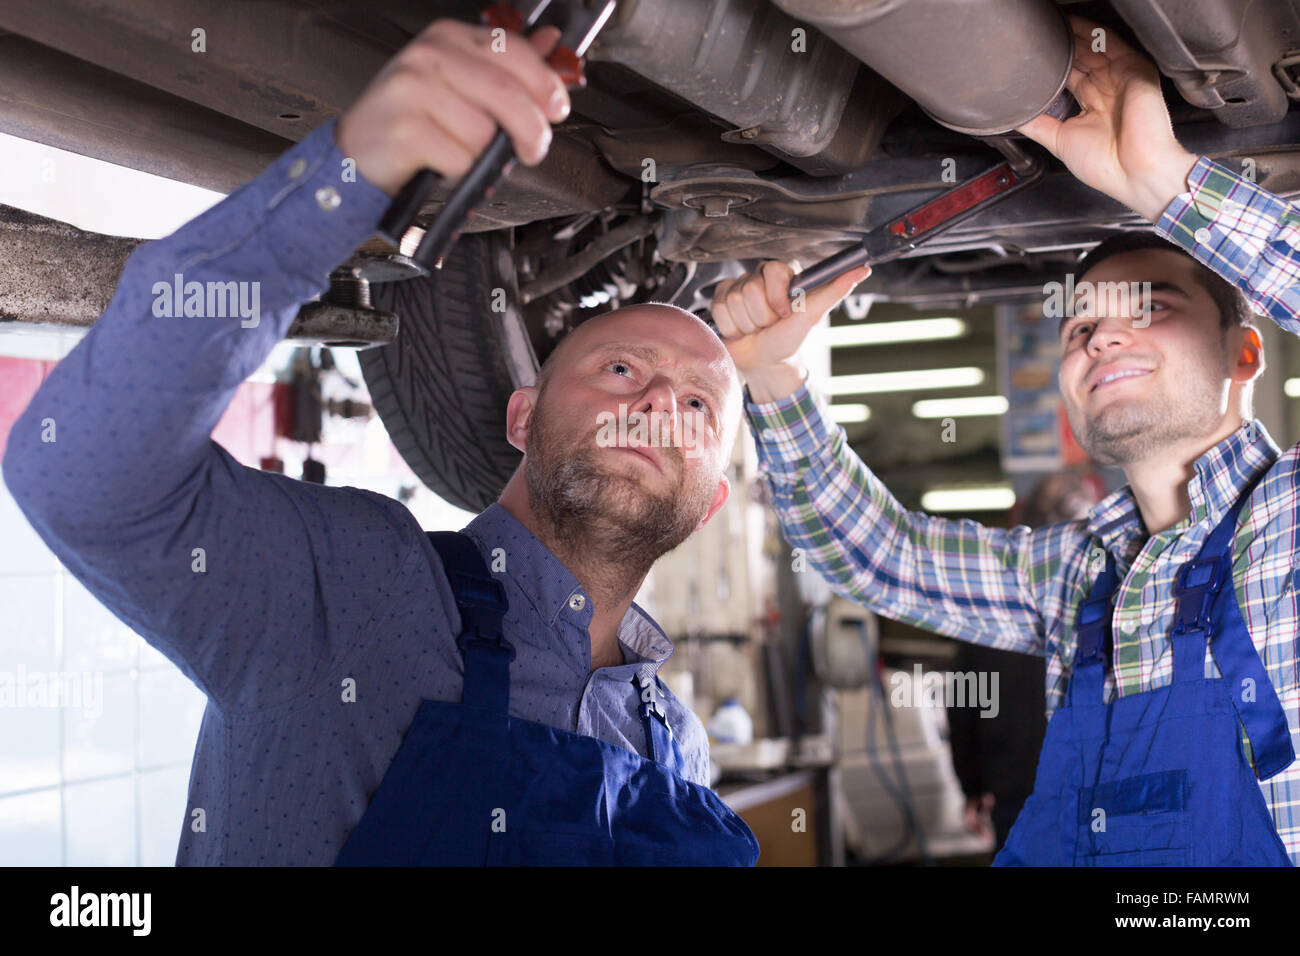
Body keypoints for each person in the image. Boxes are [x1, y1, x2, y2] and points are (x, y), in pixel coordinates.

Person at [1, 18, 846, 866]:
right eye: (623, 368)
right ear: (521, 418)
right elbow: (77, 470)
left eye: (699, 407)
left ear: (709, 509)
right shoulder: (358, 585)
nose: (662, 400)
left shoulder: (676, 747)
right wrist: (348, 177)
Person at [714, 15, 1300, 866]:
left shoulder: (1285, 526)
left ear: (1244, 354)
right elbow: (879, 557)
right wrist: (770, 375)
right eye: (1079, 328)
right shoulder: (1072, 577)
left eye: (1151, 308)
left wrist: (1168, 183)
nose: (1098, 338)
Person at [946, 471, 1101, 855]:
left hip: (1016, 797)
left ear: (1022, 523)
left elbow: (964, 705)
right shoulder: (1110, 599)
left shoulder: (983, 608)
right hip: (1099, 794)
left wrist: (972, 787)